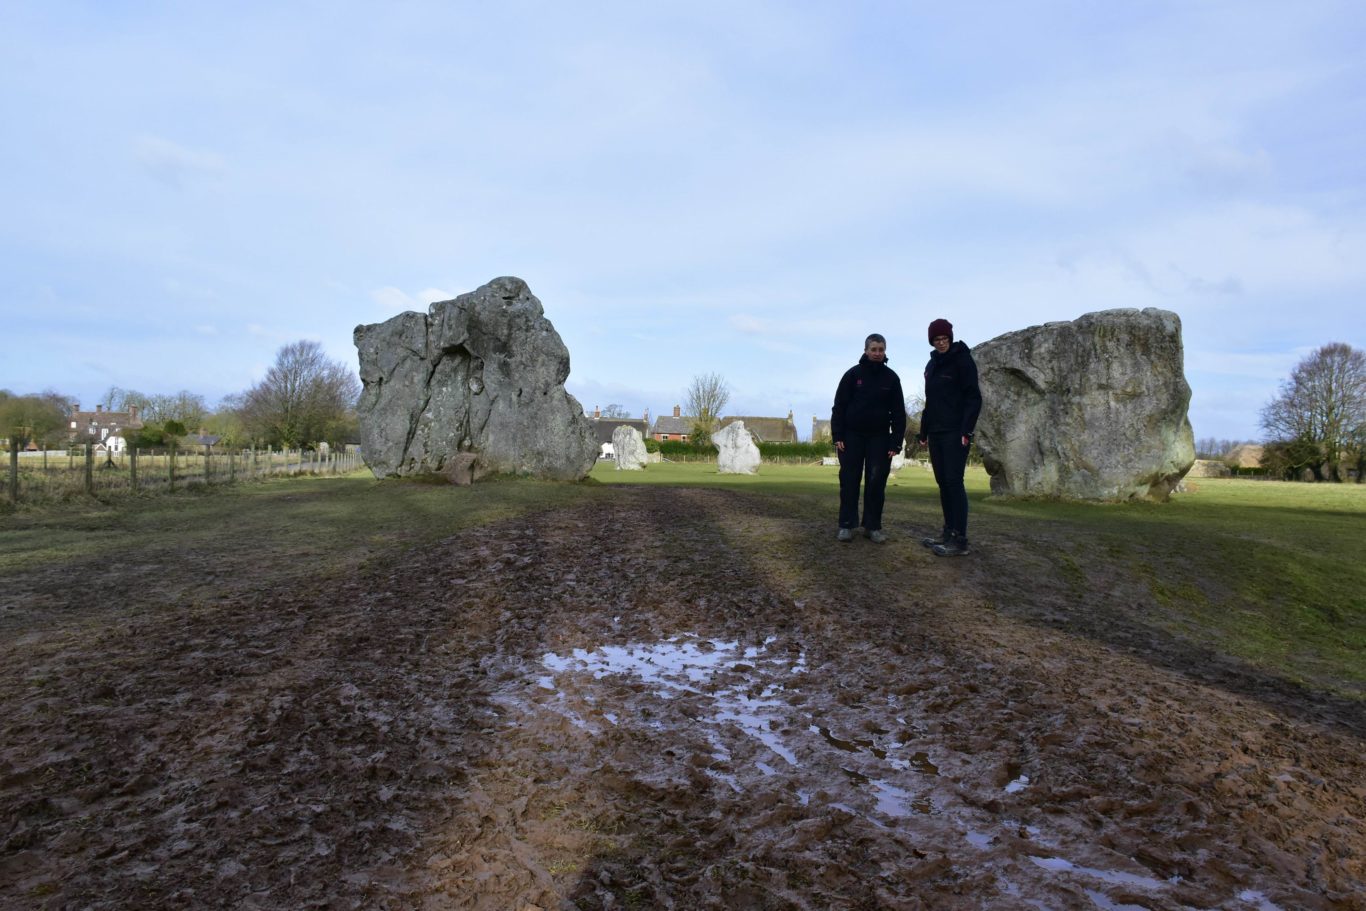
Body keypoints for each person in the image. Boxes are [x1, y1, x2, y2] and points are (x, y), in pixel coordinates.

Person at [831, 333, 906, 543]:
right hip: (851, 436)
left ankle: (872, 527)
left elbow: (899, 413)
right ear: (866, 350)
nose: (877, 353)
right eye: (873, 349)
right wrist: (837, 435)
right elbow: (839, 407)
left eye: (881, 350)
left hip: (880, 438)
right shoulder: (852, 375)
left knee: (876, 483)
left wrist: (896, 441)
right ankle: (846, 525)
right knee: (849, 481)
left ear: (885, 352)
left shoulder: (892, 378)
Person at [916, 318, 982, 556]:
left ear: (950, 338)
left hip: (956, 432)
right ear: (931, 341)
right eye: (937, 339)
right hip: (936, 431)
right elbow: (930, 402)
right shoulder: (931, 366)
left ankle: (960, 539)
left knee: (954, 482)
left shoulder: (963, 360)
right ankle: (948, 531)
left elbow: (973, 398)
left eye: (944, 339)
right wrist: (923, 432)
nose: (941, 343)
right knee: (943, 483)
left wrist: (967, 430)